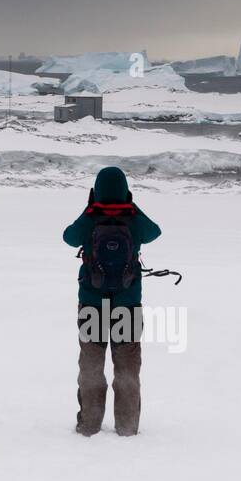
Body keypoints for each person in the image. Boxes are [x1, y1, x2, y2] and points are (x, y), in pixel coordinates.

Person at [62, 166, 161, 436]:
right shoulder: (133, 219)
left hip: (92, 305)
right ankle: (127, 428)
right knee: (127, 369)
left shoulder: (90, 219)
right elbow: (154, 232)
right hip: (127, 306)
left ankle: (89, 426)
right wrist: (130, 205)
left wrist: (91, 208)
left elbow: (69, 237)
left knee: (91, 366)